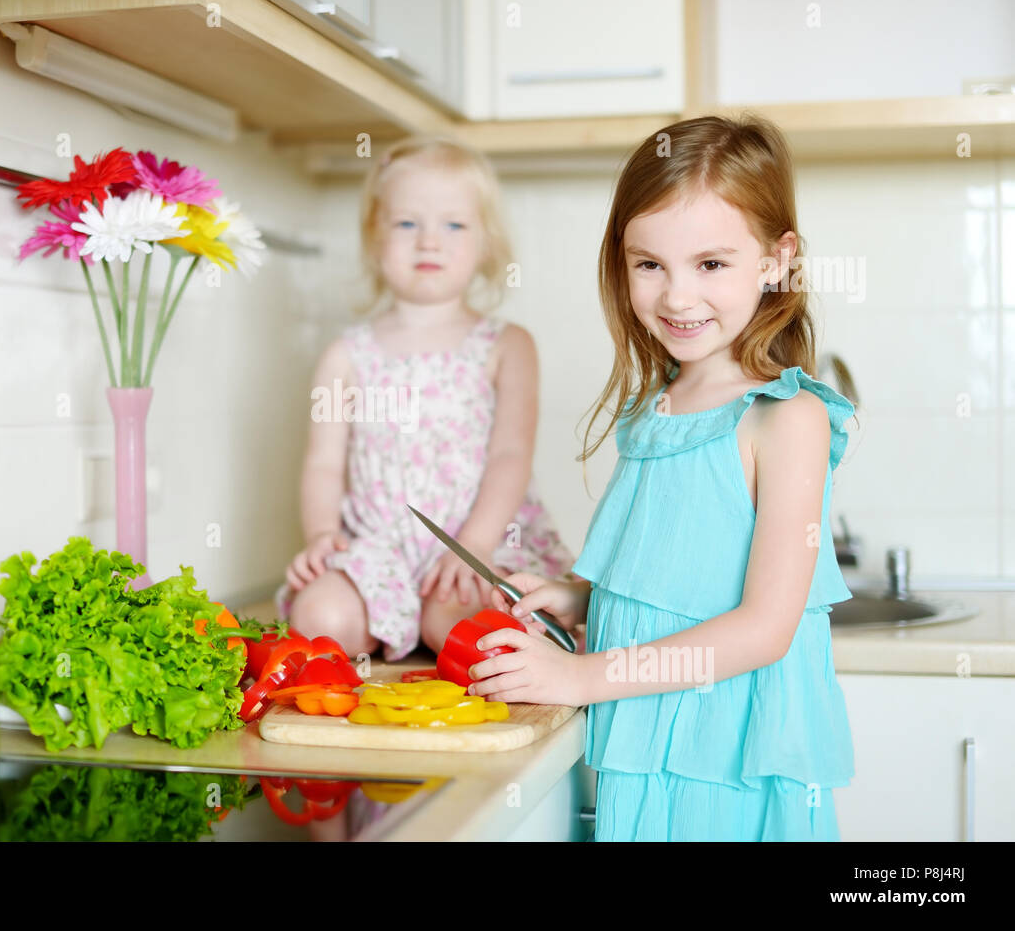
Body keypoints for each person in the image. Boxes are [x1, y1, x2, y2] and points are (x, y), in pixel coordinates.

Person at [474, 114, 859, 841]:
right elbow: (679, 565)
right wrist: (579, 593)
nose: (677, 298)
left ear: (777, 260)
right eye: (649, 264)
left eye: (711, 264)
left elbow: (764, 629)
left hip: (729, 755)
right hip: (642, 741)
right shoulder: (655, 408)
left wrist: (579, 679)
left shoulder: (787, 417)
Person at [274, 133, 576, 662]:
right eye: (407, 223)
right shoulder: (345, 355)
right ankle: (380, 621)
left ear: (486, 243)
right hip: (376, 550)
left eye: (454, 225)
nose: (429, 242)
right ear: (375, 238)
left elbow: (511, 456)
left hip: (472, 543)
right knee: (318, 617)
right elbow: (323, 463)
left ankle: (431, 622)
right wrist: (322, 535)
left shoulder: (507, 346)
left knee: (479, 631)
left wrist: (476, 546)